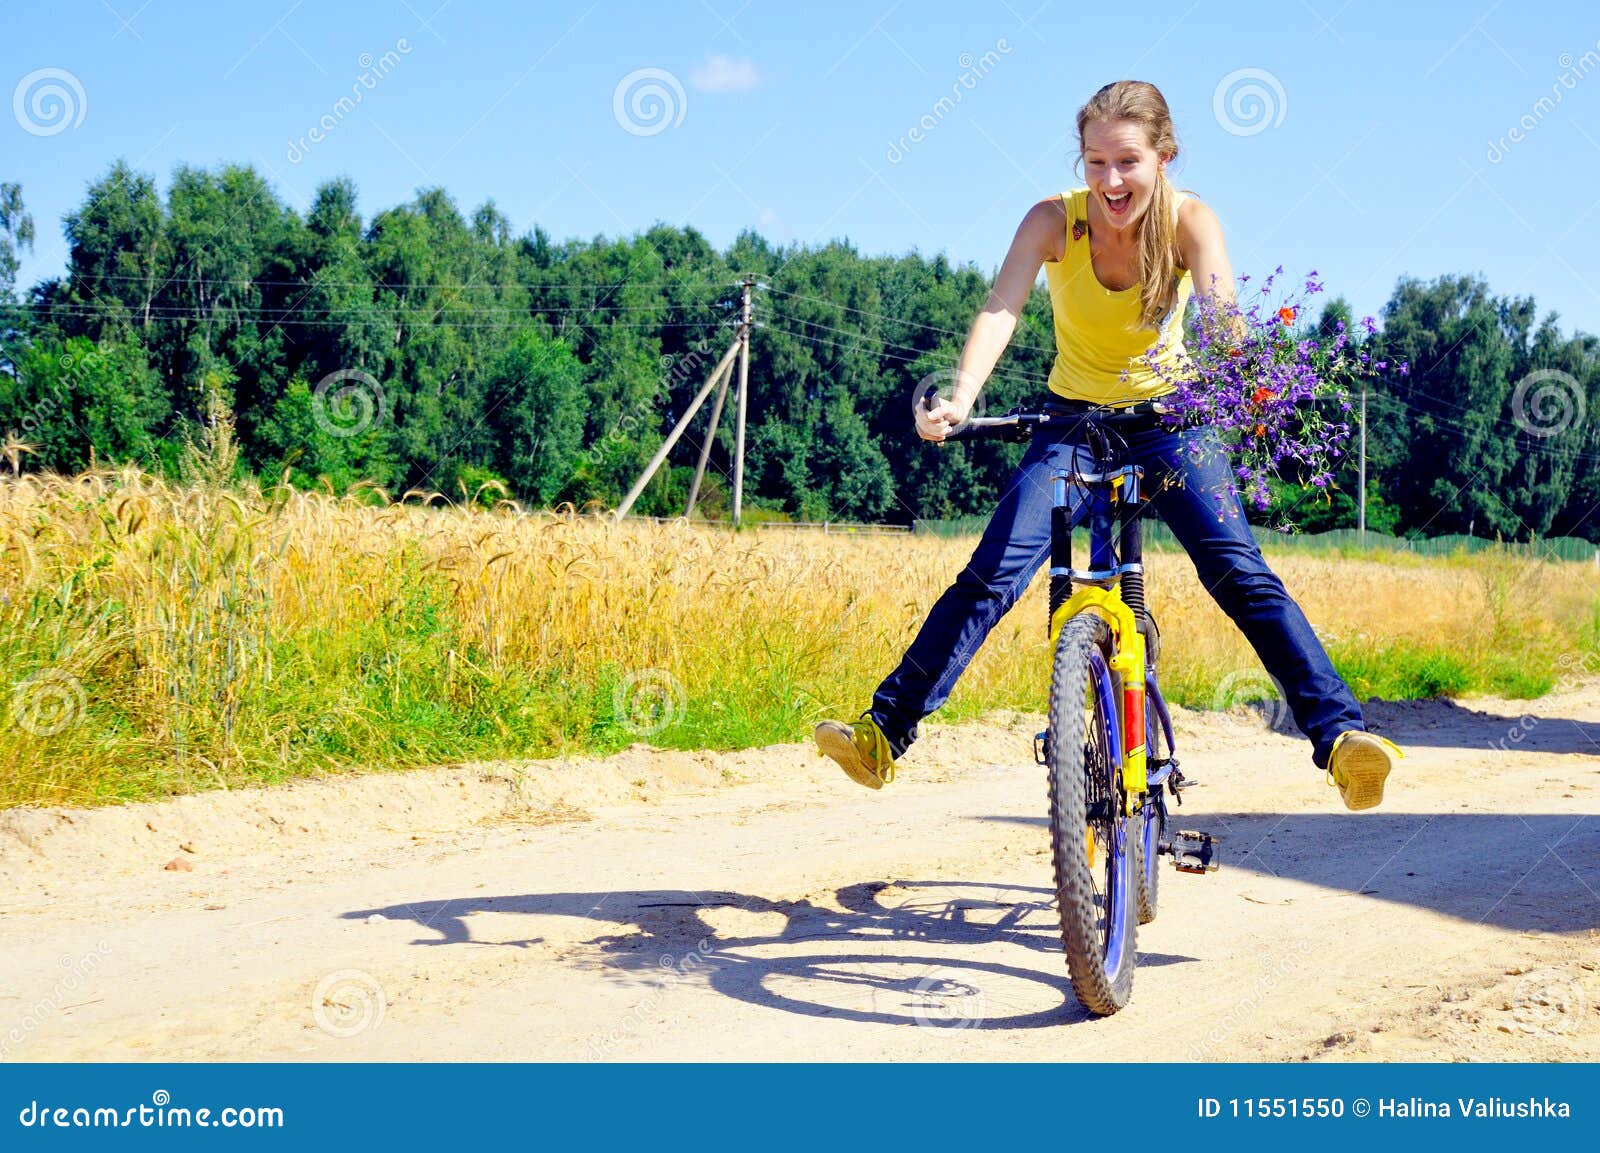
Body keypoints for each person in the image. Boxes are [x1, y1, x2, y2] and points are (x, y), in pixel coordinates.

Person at [814, 80, 1401, 811]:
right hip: (1074, 425)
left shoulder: (1190, 221)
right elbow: (1003, 305)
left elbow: (1221, 315)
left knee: (1238, 571)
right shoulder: (1052, 222)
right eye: (1095, 163)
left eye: (1127, 162)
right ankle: (883, 734)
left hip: (1172, 425)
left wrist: (1246, 375)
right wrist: (961, 395)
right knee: (993, 572)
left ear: (1163, 156)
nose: (1110, 181)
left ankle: (1343, 740)